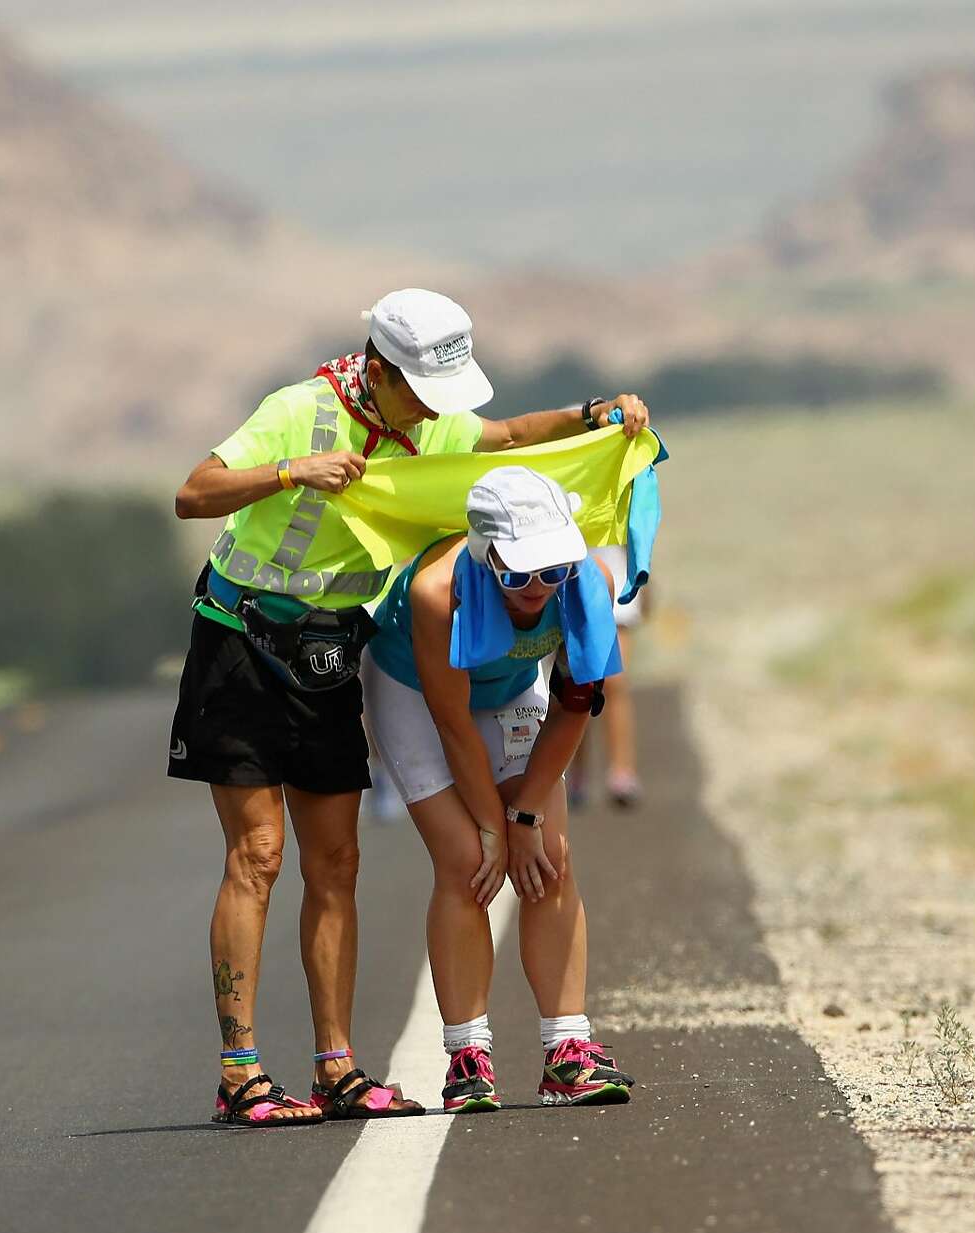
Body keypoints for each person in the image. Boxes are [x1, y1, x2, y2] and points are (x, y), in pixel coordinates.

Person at [169, 287, 647, 1126]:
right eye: (424, 389)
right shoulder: (298, 410)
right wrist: (291, 472)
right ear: (380, 370)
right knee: (259, 853)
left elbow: (503, 439)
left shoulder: (432, 423)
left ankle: (338, 1070)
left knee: (338, 862)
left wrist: (593, 413)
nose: (437, 410)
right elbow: (193, 492)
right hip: (239, 636)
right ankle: (240, 1072)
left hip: (329, 647)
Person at [361, 467, 639, 1112]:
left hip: (512, 691)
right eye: (516, 575)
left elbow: (575, 704)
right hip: (416, 695)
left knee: (548, 862)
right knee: (468, 864)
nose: (537, 588)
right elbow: (452, 723)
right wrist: (495, 826)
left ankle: (569, 1052)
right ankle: (466, 1054)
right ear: (486, 556)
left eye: (550, 570)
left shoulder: (587, 580)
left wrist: (525, 817)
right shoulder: (439, 592)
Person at [568, 543, 645, 810]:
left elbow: (636, 526)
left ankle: (622, 772)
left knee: (615, 680)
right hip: (573, 564)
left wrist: (646, 575)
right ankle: (577, 771)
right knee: (581, 681)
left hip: (617, 567)